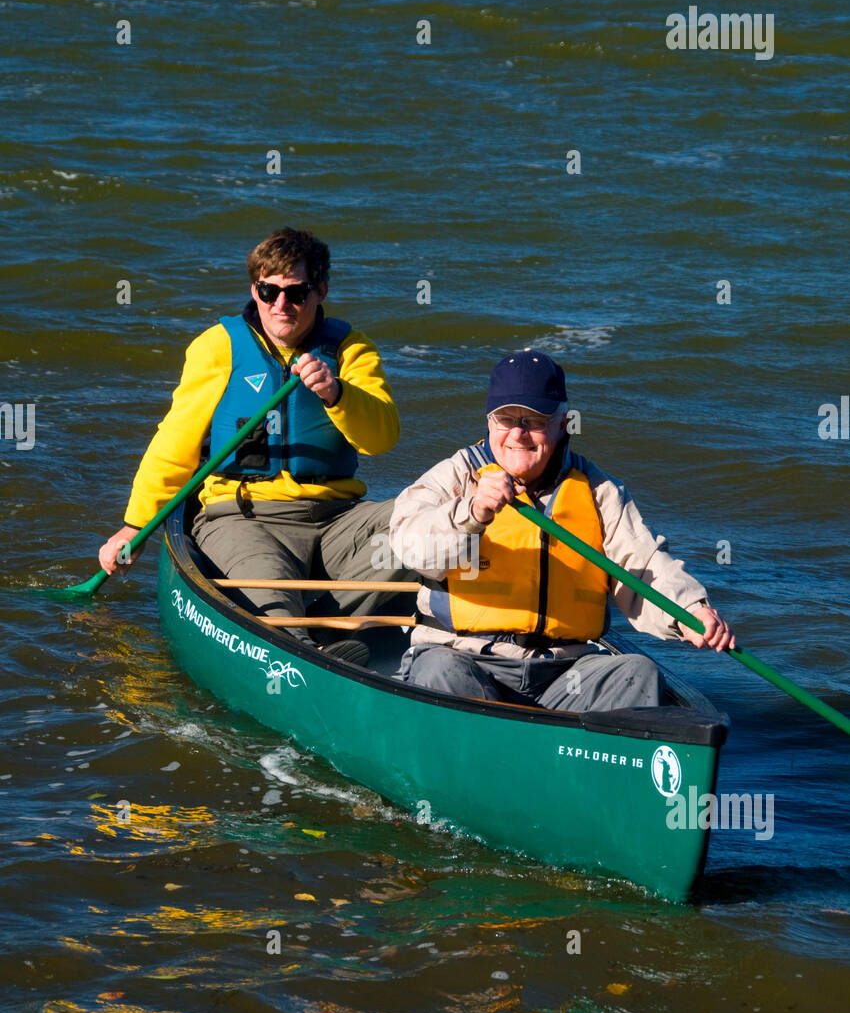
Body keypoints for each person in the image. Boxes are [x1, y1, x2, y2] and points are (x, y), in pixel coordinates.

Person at [99, 227, 412, 660]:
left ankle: (330, 629)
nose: (281, 305)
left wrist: (337, 393)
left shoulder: (352, 349)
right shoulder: (219, 346)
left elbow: (382, 438)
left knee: (428, 520)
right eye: (269, 292)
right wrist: (135, 526)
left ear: (320, 290)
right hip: (243, 519)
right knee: (272, 595)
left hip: (337, 519)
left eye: (296, 293)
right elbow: (174, 443)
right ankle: (310, 656)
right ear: (255, 290)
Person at [388, 350, 735, 711]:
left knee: (638, 672)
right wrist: (472, 512)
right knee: (440, 671)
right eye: (506, 419)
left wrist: (690, 612)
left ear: (563, 423)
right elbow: (410, 546)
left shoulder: (600, 490)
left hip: (564, 673)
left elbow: (643, 565)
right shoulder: (454, 476)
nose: (518, 434)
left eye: (534, 421)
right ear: (489, 422)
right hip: (465, 658)